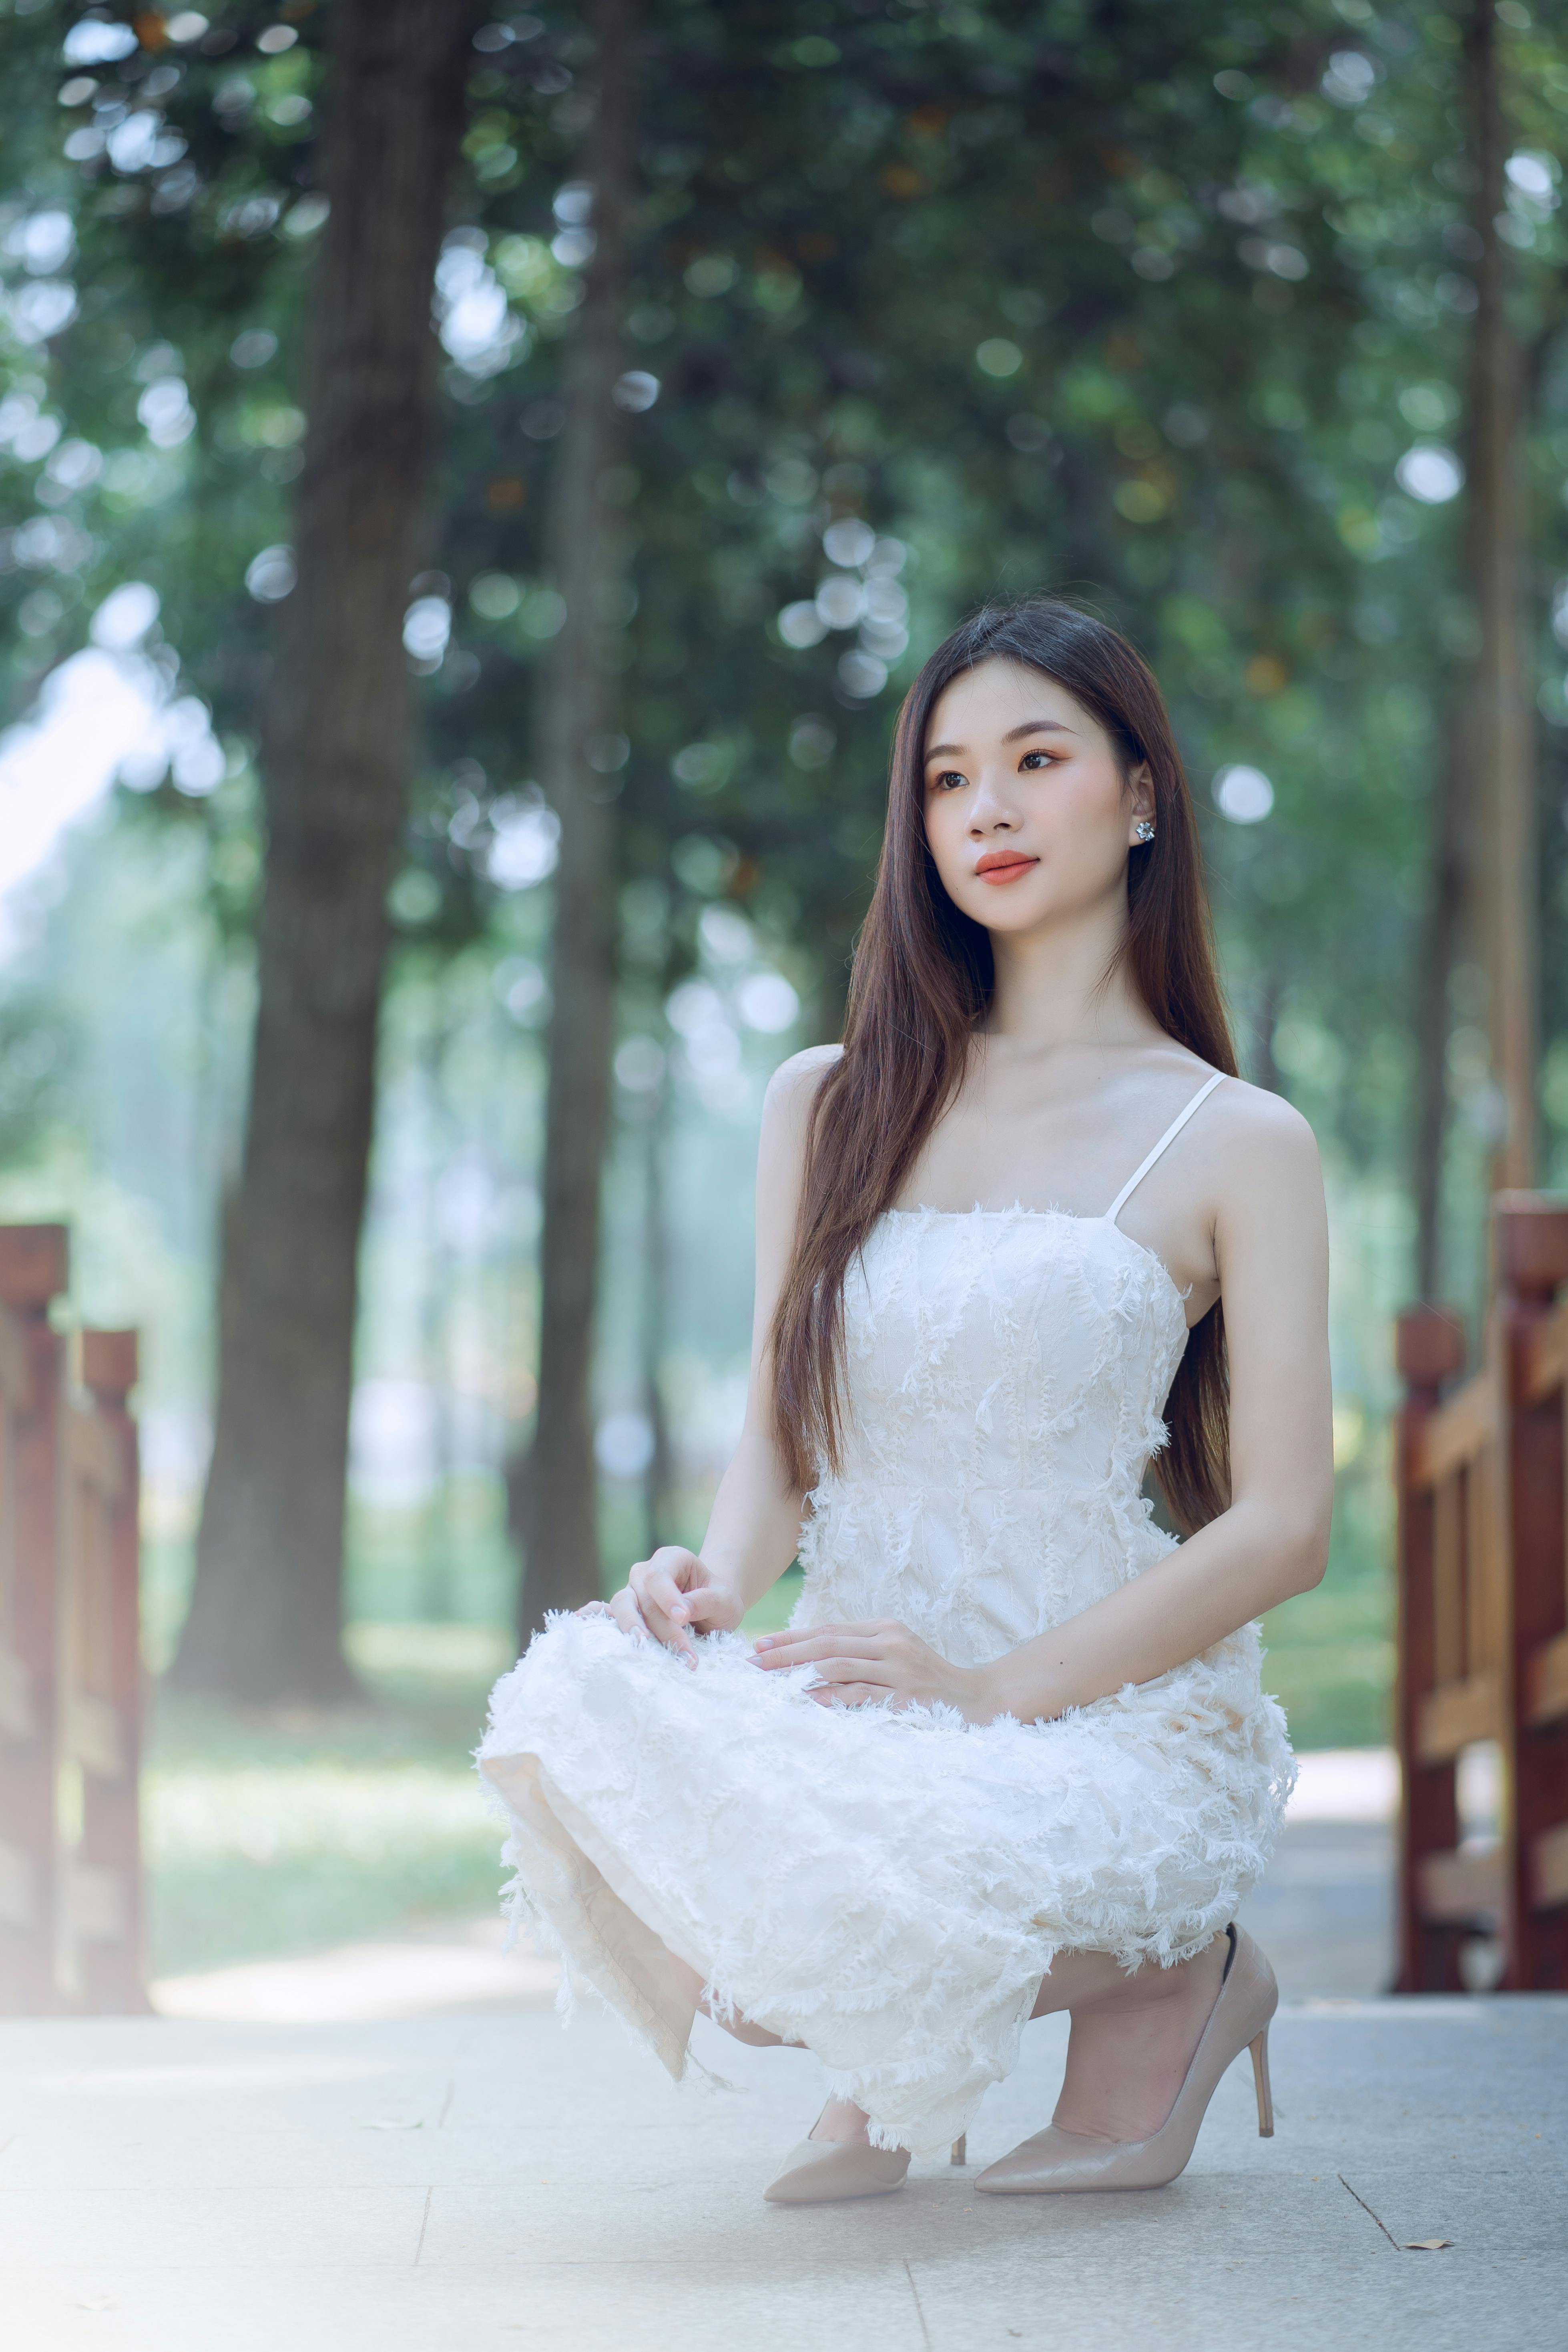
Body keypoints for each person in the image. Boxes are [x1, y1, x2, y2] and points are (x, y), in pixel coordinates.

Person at [479, 595, 1332, 2204]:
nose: (985, 810)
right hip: (855, 1679)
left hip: (1094, 1708)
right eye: (946, 779)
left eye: (1033, 759)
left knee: (872, 1876)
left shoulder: (1234, 1138)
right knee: (575, 1704)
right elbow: (778, 1438)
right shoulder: (831, 1098)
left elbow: (1286, 1523)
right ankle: (899, 2039)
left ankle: (1177, 1969)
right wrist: (711, 1584)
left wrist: (992, 1689)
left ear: (1139, 793)